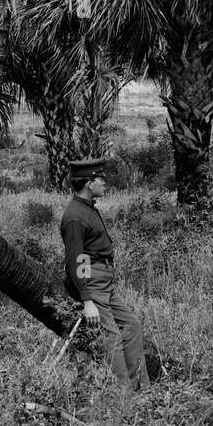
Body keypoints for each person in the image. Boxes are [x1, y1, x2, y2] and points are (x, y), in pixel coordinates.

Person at [60, 157, 146, 390]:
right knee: (112, 338)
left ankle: (140, 388)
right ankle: (123, 398)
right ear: (89, 183)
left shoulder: (87, 208)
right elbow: (76, 262)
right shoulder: (75, 216)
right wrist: (87, 300)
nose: (105, 184)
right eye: (101, 179)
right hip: (93, 283)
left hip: (104, 282)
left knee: (133, 327)